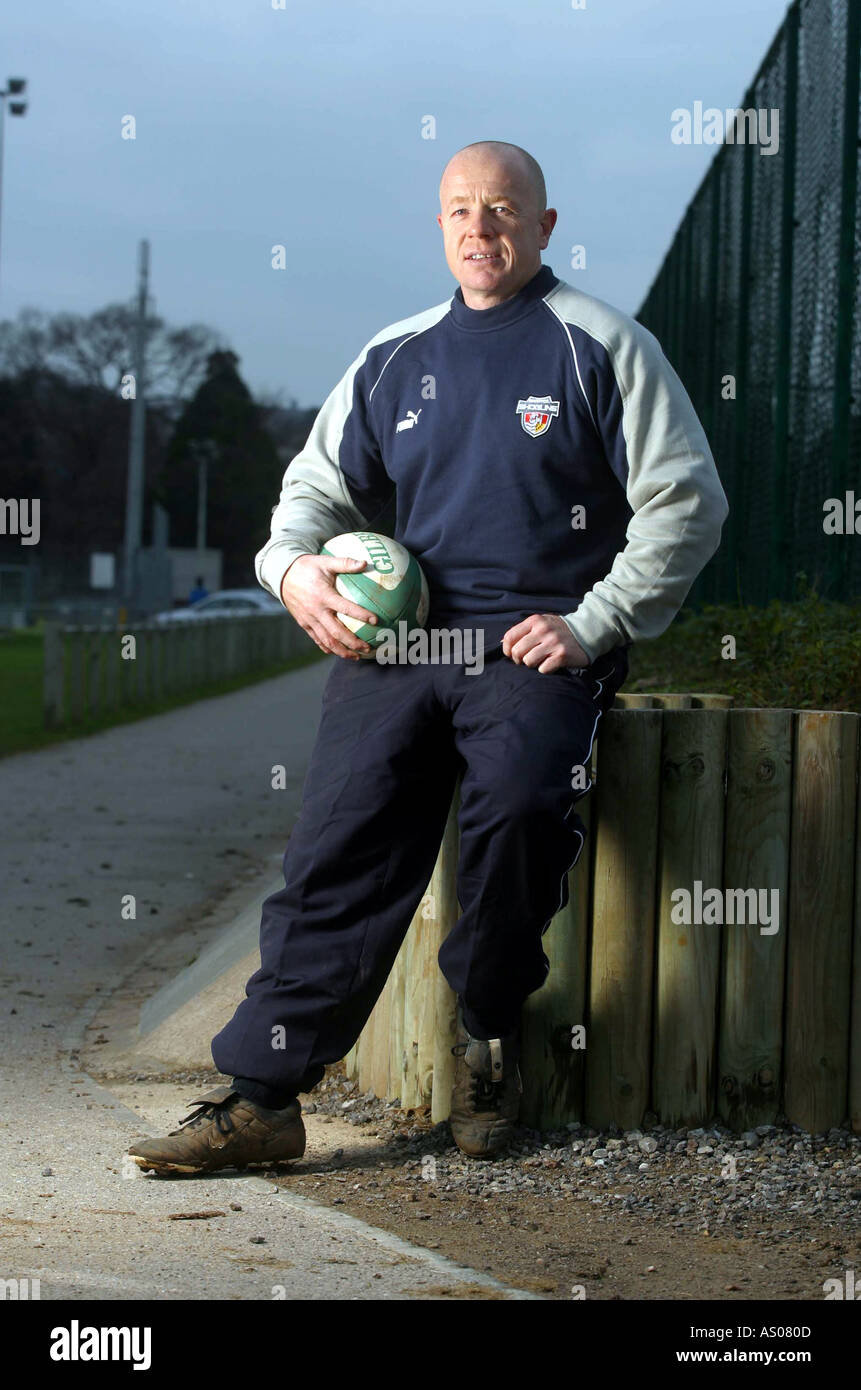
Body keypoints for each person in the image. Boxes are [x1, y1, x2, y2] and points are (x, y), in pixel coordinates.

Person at [129, 140, 728, 1176]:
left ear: (544, 227)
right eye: (460, 210)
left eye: (502, 210)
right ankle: (263, 1099)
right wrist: (291, 572)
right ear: (439, 226)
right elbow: (310, 495)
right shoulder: (396, 354)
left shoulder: (599, 346)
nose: (479, 228)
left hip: (534, 645)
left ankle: (488, 1033)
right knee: (336, 846)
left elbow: (688, 499)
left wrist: (595, 621)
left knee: (521, 808)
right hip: (402, 645)